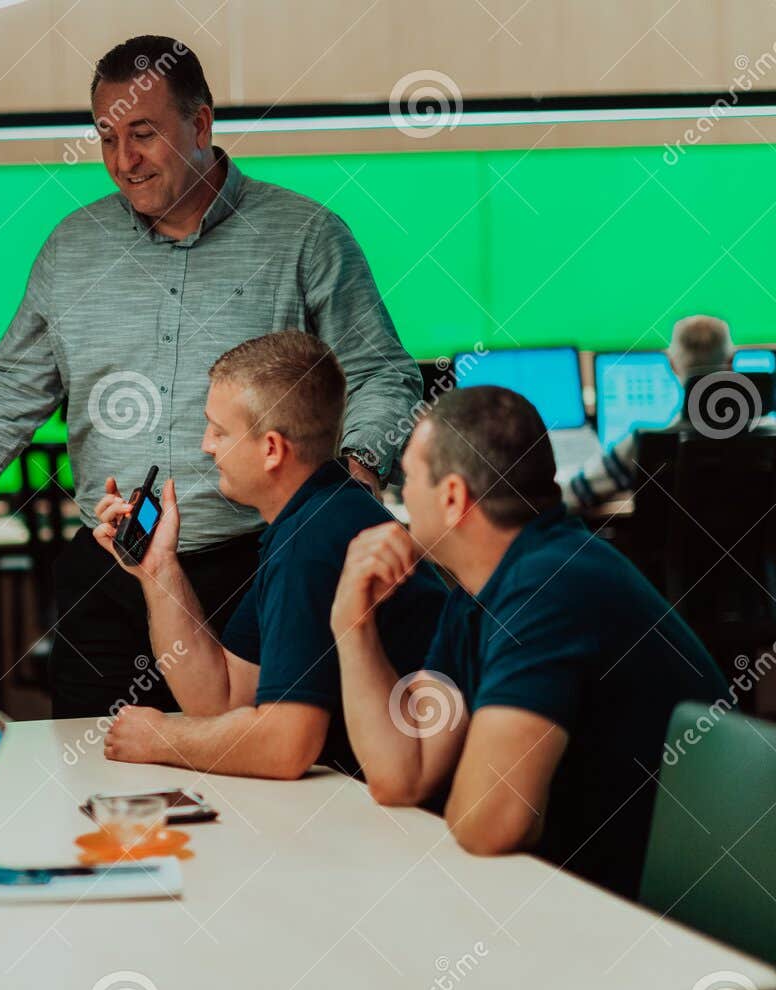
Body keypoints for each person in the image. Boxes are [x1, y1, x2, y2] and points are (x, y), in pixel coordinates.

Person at [0, 34, 421, 719]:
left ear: (201, 123)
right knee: (100, 772)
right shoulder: (72, 249)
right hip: (112, 574)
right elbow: (9, 393)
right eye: (106, 137)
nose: (123, 160)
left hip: (261, 567)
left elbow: (384, 376)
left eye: (144, 134)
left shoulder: (304, 236)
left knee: (263, 784)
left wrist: (346, 487)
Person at [332, 386, 729, 898]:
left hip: (652, 923)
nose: (401, 497)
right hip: (577, 898)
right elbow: (403, 775)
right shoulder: (477, 592)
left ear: (452, 497)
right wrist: (352, 626)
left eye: (408, 479)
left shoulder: (550, 587)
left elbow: (490, 824)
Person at [91, 332, 446, 777]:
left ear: (272, 449)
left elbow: (286, 747)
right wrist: (157, 568)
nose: (206, 444)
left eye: (219, 431)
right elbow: (223, 698)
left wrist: (162, 737)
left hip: (418, 821)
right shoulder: (314, 514)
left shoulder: (314, 541)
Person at [564, 314, 737, 510]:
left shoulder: (642, 444)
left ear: (672, 365)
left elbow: (573, 495)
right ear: (730, 362)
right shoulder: (763, 441)